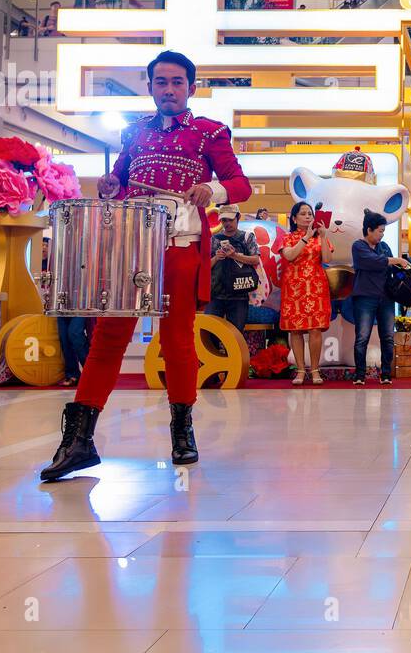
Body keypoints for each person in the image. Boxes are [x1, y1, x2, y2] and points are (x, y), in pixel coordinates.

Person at [38, 50, 249, 480]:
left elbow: (240, 185)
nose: (168, 90)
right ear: (150, 86)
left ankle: (182, 431)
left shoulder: (211, 133)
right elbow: (118, 181)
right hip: (130, 246)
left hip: (179, 246)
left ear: (191, 87)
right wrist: (112, 184)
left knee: (177, 340)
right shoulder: (133, 134)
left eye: (176, 82)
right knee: (107, 337)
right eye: (160, 82)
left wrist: (212, 188)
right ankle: (79, 440)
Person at [350, 211, 411, 385]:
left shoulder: (384, 247)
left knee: (388, 337)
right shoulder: (358, 246)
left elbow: (390, 268)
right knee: (362, 337)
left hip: (386, 298)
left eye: (383, 231)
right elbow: (373, 262)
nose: (382, 234)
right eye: (380, 231)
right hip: (364, 298)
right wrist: (394, 260)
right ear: (369, 230)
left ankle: (385, 374)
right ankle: (360, 375)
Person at [279, 201, 333, 386]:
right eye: (303, 213)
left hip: (316, 286)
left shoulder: (320, 237)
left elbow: (327, 259)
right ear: (294, 218)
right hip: (294, 287)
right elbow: (289, 256)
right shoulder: (287, 237)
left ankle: (315, 369)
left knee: (315, 328)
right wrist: (305, 237)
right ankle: (301, 370)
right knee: (296, 329)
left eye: (310, 213)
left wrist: (323, 236)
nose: (308, 216)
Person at [205, 205, 260, 336]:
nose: (227, 223)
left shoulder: (247, 237)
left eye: (230, 220)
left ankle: (234, 357)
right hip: (216, 293)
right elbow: (205, 266)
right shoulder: (214, 239)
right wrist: (217, 258)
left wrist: (235, 255)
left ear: (238, 217)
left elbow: (255, 260)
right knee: (209, 332)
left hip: (239, 293)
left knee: (236, 335)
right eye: (224, 220)